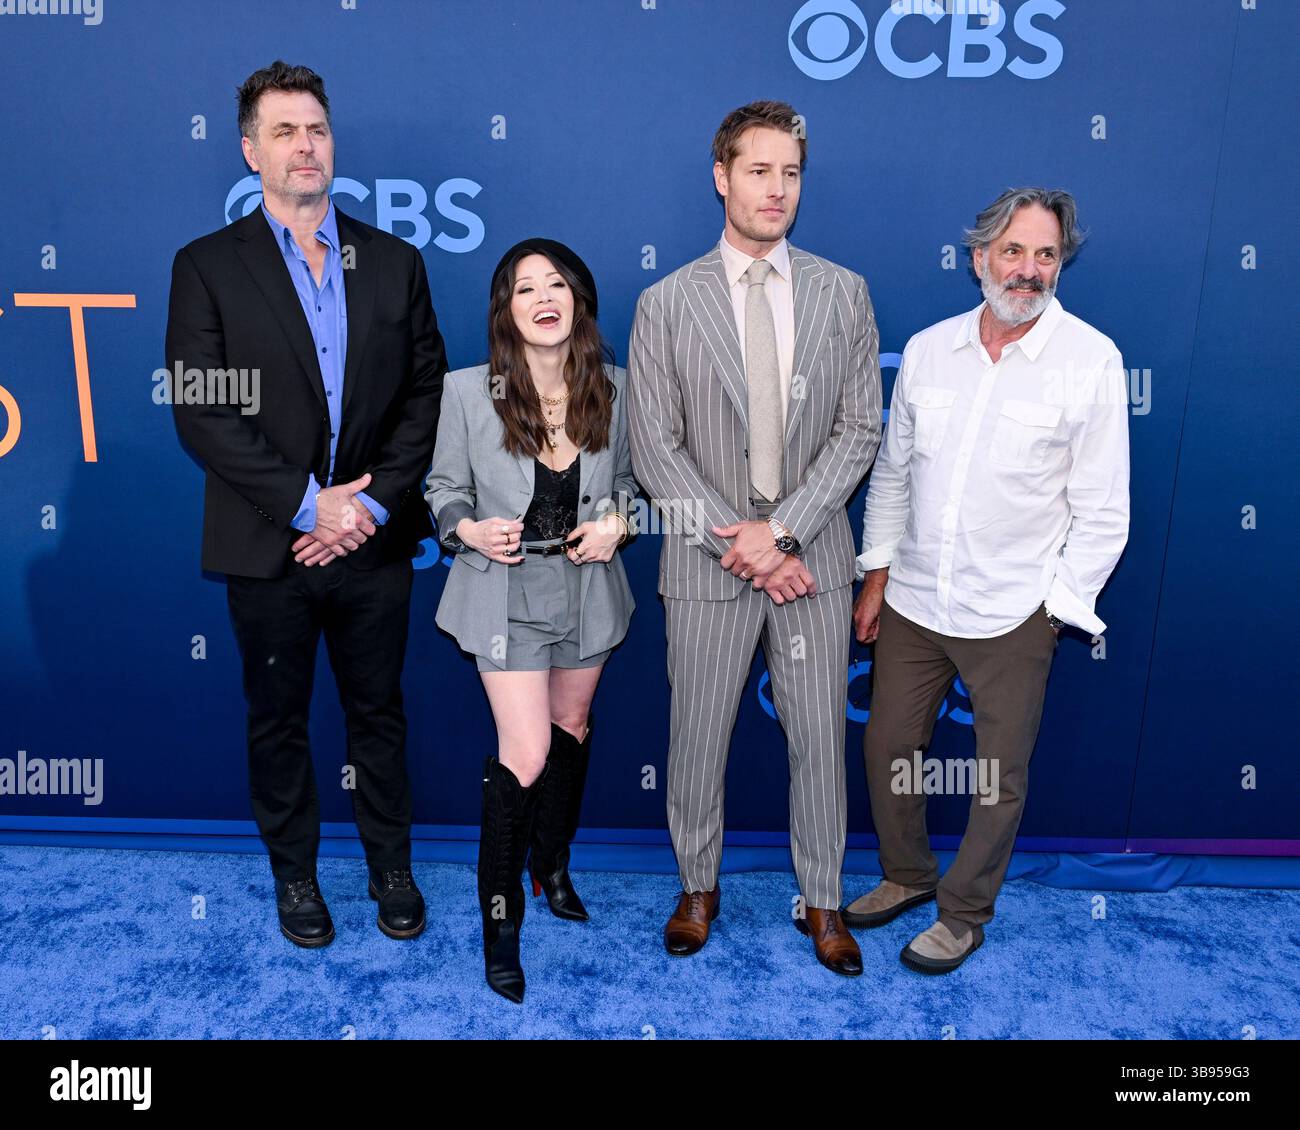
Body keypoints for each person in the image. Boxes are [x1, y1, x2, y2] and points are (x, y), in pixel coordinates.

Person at [166, 61, 446, 948]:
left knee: (380, 714)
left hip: (372, 542)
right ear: (250, 151)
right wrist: (305, 508)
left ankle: (389, 867)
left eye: (316, 128)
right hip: (268, 548)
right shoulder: (207, 266)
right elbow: (200, 408)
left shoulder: (394, 261)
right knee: (278, 719)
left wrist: (360, 512)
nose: (304, 145)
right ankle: (294, 876)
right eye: (283, 131)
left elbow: (426, 394)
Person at [627, 101, 882, 976]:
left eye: (792, 173)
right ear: (722, 176)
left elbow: (859, 431)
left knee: (820, 742)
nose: (777, 189)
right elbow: (653, 447)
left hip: (812, 559)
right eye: (760, 170)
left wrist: (785, 533)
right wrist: (738, 545)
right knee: (696, 741)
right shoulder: (665, 303)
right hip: (707, 565)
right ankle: (698, 887)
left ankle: (824, 898)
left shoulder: (845, 292)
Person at [846, 187, 1130, 974]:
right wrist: (876, 575)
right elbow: (894, 476)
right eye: (1014, 251)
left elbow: (1104, 510)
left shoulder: (1091, 360)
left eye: (1046, 254)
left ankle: (965, 911)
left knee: (997, 780)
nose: (1030, 270)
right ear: (979, 259)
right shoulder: (932, 348)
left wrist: (1053, 611)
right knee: (889, 748)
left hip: (1015, 610)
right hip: (914, 599)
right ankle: (907, 875)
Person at [425, 238, 637, 1003]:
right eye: (524, 289)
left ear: (577, 299)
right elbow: (442, 487)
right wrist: (468, 530)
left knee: (572, 730)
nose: (543, 298)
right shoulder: (465, 392)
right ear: (506, 310)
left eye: (556, 284)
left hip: (587, 592)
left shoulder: (616, 388)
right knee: (527, 747)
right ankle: (501, 919)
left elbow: (642, 489)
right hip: (503, 593)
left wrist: (620, 521)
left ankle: (552, 864)